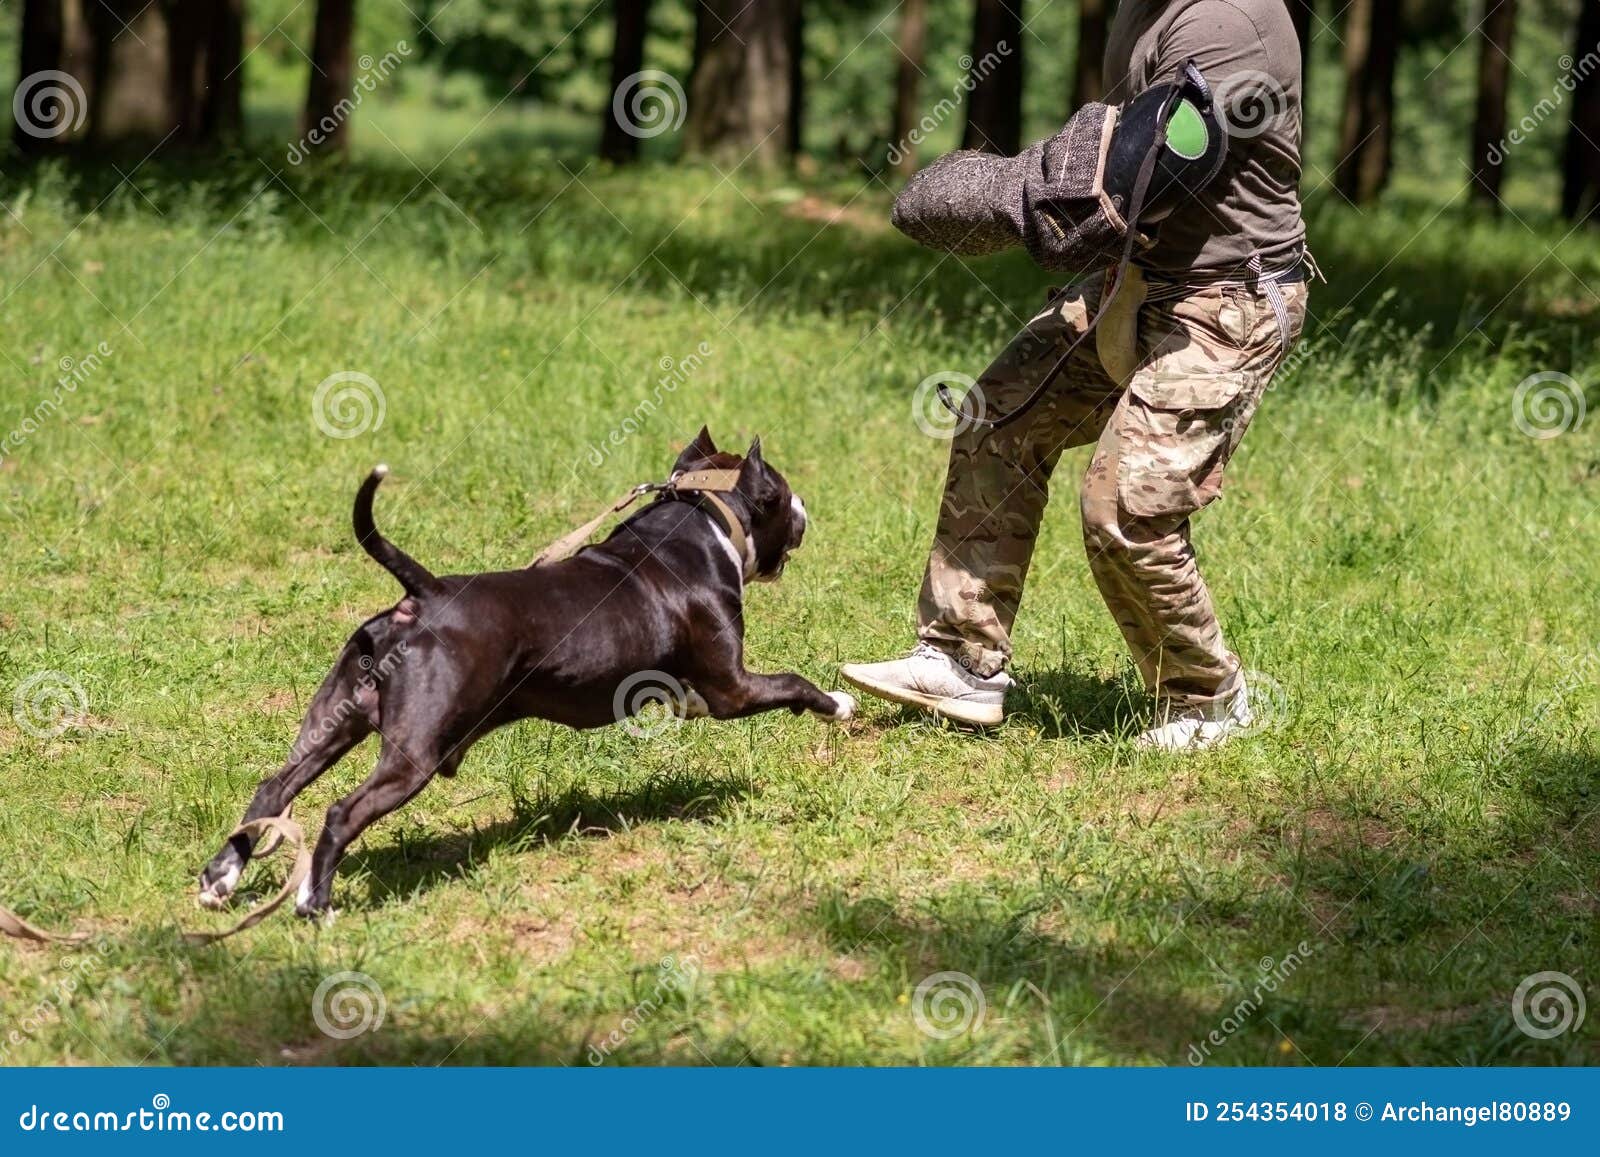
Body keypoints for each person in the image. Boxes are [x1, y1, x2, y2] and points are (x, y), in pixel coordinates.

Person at [842, 0, 1311, 749]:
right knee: (997, 416)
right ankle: (962, 657)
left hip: (1228, 299)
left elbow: (1146, 169)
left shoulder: (1229, 23)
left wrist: (999, 194)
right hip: (1136, 275)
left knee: (1124, 505)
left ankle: (1206, 698)